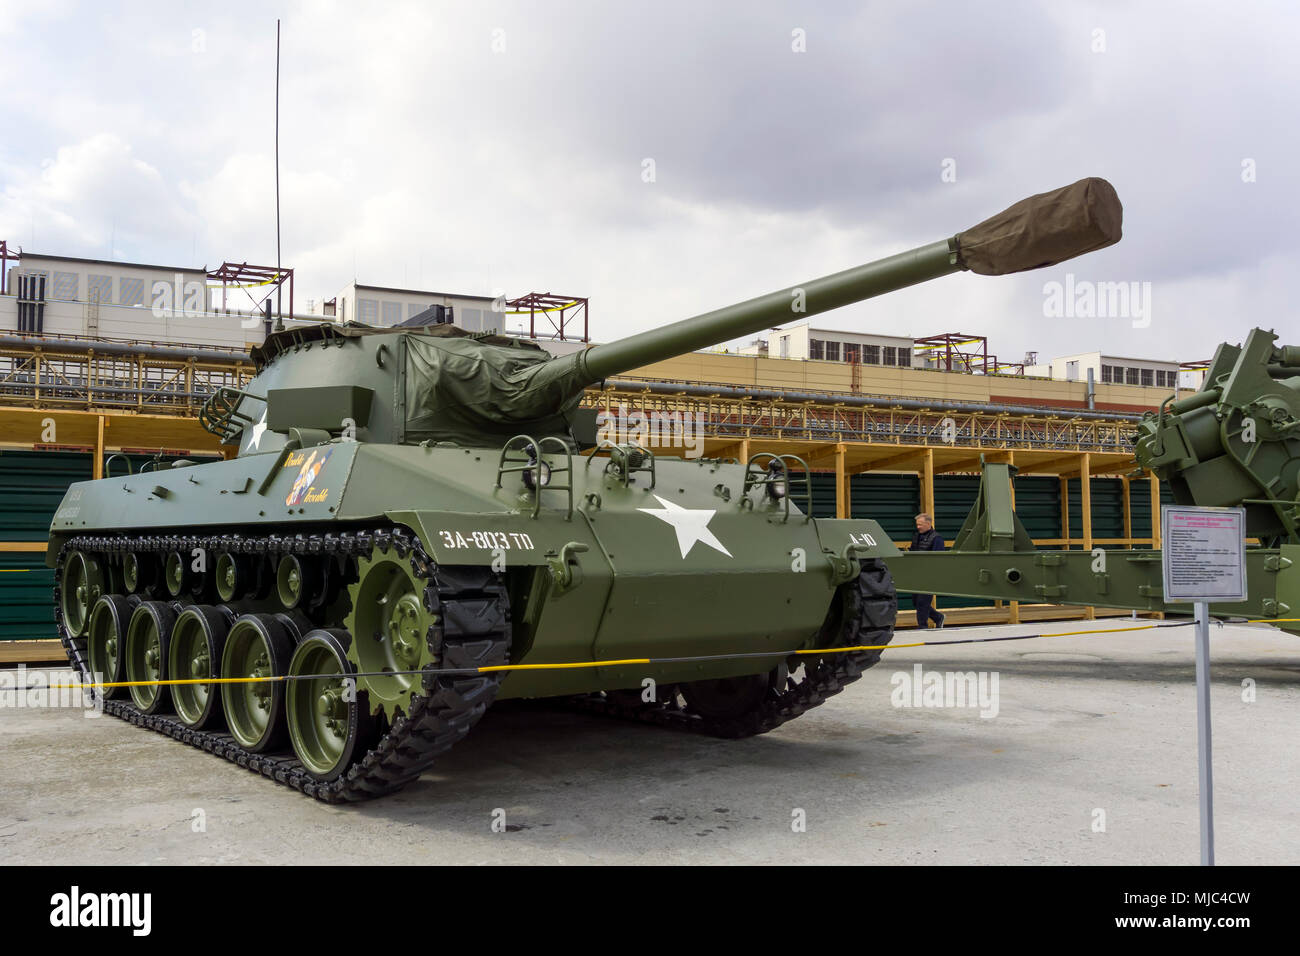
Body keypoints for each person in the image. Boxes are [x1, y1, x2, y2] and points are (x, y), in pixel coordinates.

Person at [911, 513, 946, 628]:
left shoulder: (937, 539)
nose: (918, 527)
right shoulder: (916, 536)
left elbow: (938, 559)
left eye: (920, 525)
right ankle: (938, 617)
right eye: (917, 525)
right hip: (917, 574)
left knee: (922, 602)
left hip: (929, 576)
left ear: (928, 524)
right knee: (916, 601)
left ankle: (922, 627)